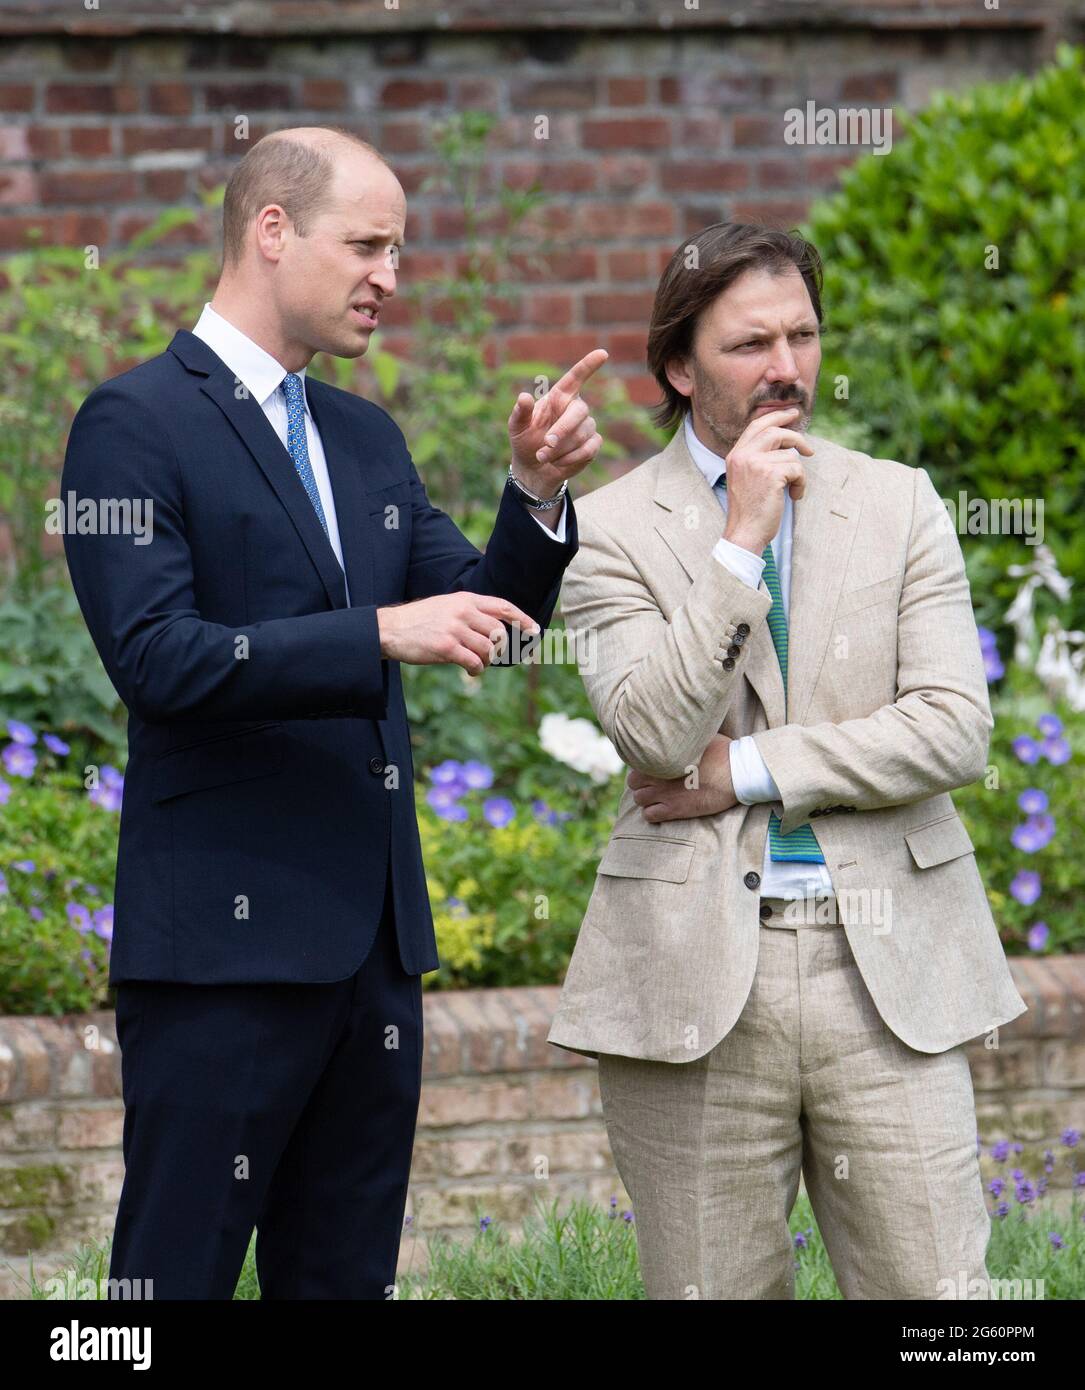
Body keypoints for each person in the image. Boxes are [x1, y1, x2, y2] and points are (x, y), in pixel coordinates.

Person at [61, 125, 606, 1299]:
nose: (390, 279)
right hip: (219, 958)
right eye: (366, 245)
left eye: (398, 252)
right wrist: (374, 631)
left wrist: (534, 493)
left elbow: (483, 611)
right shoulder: (133, 423)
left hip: (371, 961)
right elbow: (158, 659)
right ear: (271, 231)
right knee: (164, 1291)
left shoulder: (364, 437)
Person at [546, 221, 1027, 1300]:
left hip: (885, 972)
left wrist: (749, 770)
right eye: (748, 344)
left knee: (942, 1305)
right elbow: (654, 736)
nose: (785, 369)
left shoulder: (896, 501)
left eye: (801, 336)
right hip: (692, 979)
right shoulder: (609, 528)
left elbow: (953, 725)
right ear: (677, 365)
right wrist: (739, 541)